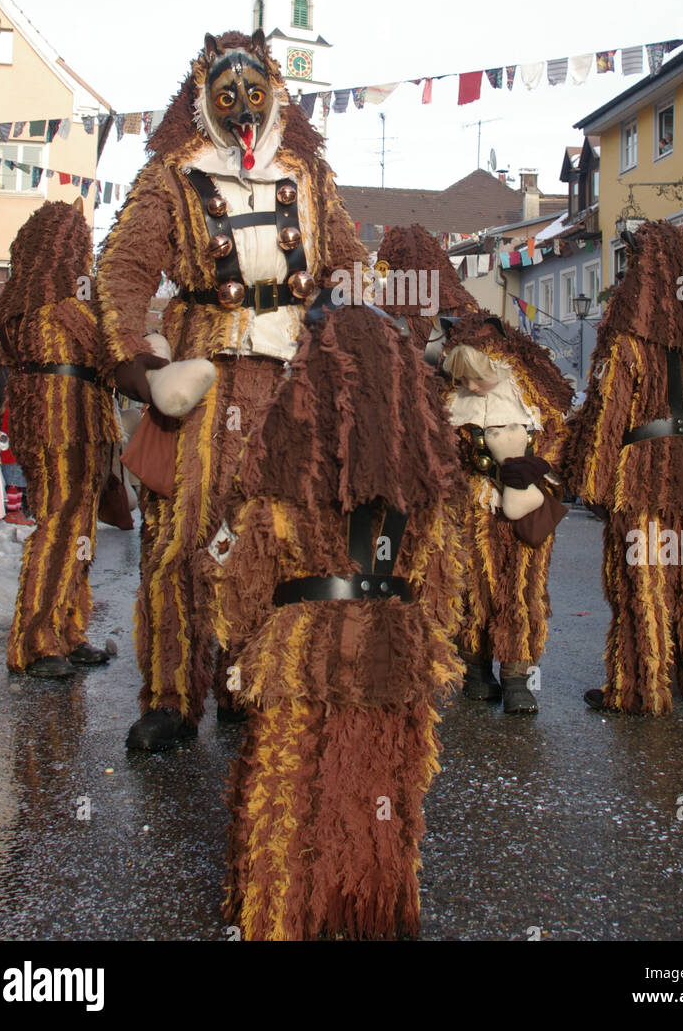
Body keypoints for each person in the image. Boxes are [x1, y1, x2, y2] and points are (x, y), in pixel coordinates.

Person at [95, 30, 366, 750]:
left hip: (294, 376)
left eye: (255, 94)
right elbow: (122, 274)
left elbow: (347, 259)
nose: (244, 110)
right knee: (185, 536)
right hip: (205, 376)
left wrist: (390, 320)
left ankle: (256, 680)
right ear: (203, 101)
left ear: (274, 93)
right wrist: (137, 362)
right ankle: (171, 696)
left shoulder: (308, 173)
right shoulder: (171, 177)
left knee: (282, 535)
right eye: (227, 96)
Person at [204, 304, 466, 940]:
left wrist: (240, 652)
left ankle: (280, 915)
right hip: (393, 647)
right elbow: (446, 590)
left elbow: (235, 586)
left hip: (298, 644)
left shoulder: (280, 482)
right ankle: (370, 913)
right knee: (382, 793)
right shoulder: (424, 496)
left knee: (286, 786)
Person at [563, 221, 683, 715]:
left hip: (643, 467)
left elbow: (607, 417)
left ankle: (642, 687)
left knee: (641, 578)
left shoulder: (628, 344)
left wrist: (591, 486)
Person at [0, 202, 118, 679]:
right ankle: (38, 639)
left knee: (75, 526)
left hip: (64, 424)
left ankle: (70, 628)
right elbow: (110, 348)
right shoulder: (63, 303)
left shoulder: (16, 305)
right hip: (66, 423)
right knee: (61, 524)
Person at [442, 313, 573, 713]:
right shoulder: (451, 403)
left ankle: (517, 675)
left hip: (526, 504)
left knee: (520, 588)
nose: (469, 387)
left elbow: (562, 437)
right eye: (461, 379)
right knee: (471, 587)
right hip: (473, 507)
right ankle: (476, 669)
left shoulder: (532, 393)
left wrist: (540, 465)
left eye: (476, 377)